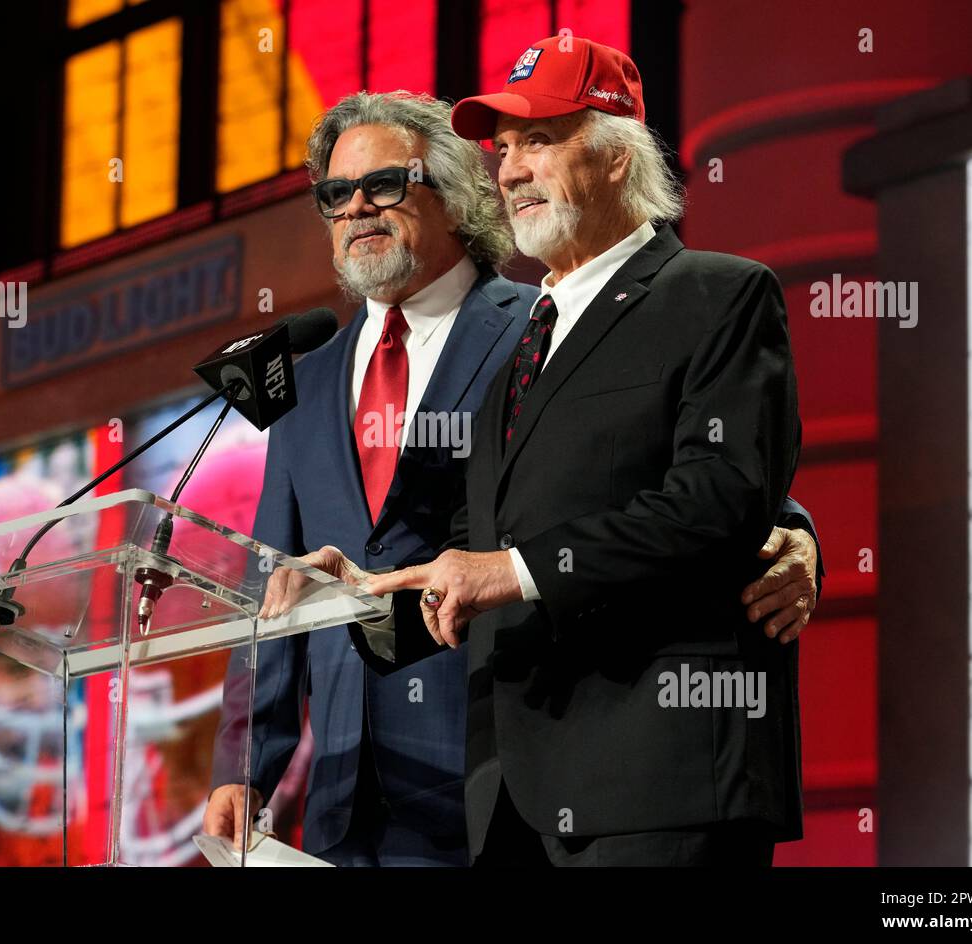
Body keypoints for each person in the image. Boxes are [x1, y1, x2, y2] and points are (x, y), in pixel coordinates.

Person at [210, 88, 820, 866]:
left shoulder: (549, 326)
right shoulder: (306, 380)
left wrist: (798, 536)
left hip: (510, 758)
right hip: (350, 790)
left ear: (455, 192)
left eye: (384, 185)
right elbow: (273, 586)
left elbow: (716, 476)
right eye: (336, 193)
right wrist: (245, 762)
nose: (357, 208)